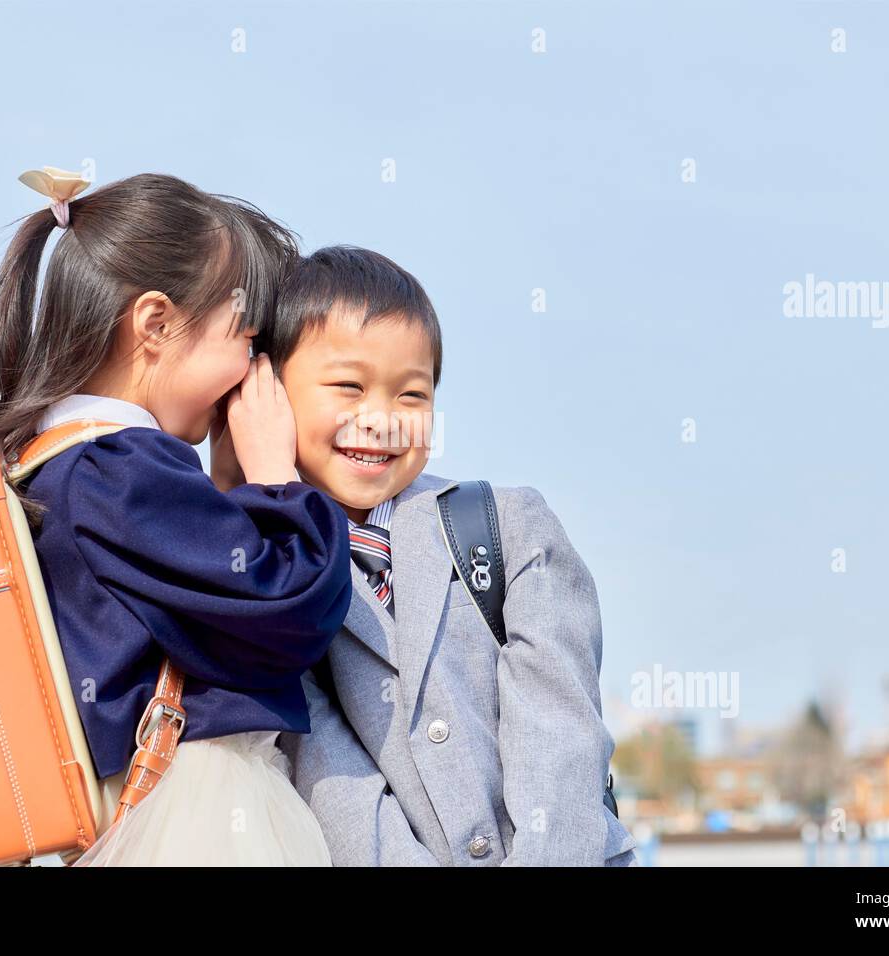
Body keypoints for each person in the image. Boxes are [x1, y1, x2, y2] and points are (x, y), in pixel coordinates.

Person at [0, 169, 352, 865]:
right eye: (245, 339)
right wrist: (276, 478)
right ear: (155, 323)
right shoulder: (118, 471)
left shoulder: (48, 467)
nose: (253, 371)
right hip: (202, 813)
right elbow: (287, 604)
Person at [271, 246, 638, 866]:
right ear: (269, 390)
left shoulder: (508, 526)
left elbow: (561, 735)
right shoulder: (276, 571)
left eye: (411, 395)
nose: (381, 420)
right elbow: (330, 780)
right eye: (348, 387)